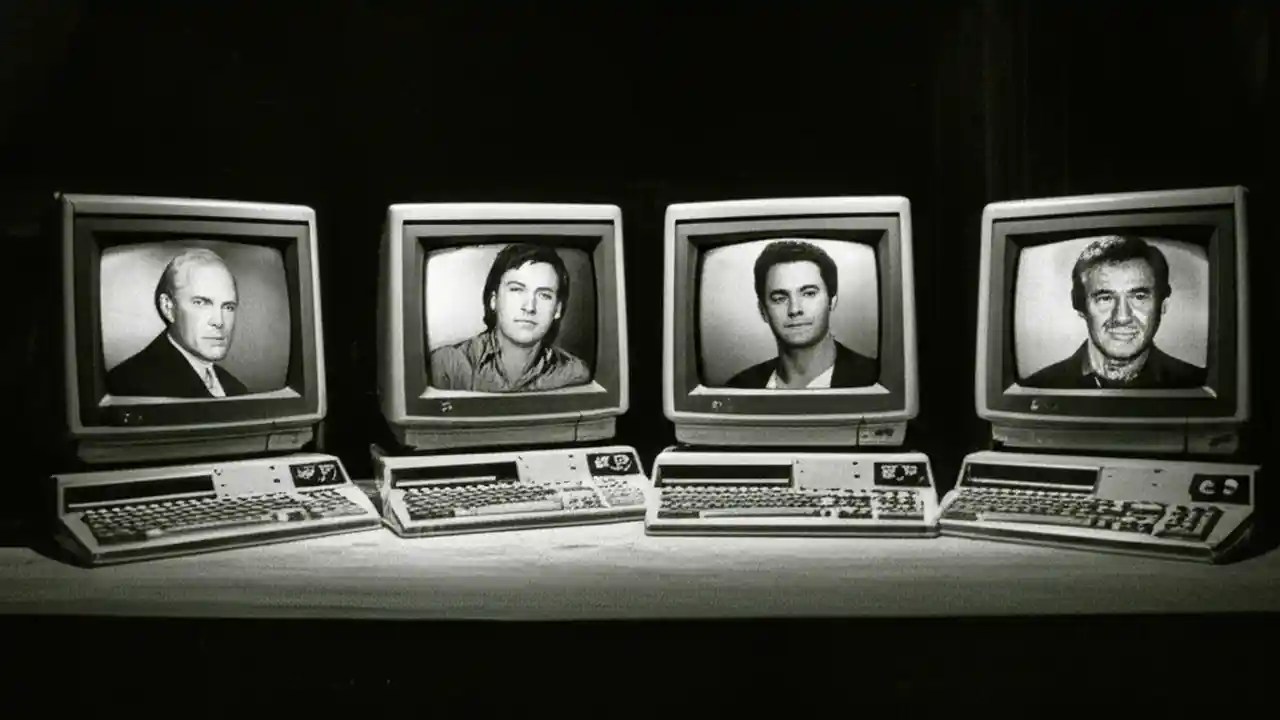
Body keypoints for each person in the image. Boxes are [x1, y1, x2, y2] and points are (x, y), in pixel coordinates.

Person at [1023, 234, 1206, 389]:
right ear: (1080, 307)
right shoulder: (1040, 386)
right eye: (1105, 298)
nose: (1122, 317)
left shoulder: (1195, 383)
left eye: (1139, 297)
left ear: (1163, 305)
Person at [429, 243, 591, 392]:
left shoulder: (573, 373)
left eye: (544, 295)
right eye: (517, 290)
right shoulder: (447, 365)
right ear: (494, 300)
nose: (529, 307)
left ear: (557, 310)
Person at [726, 240, 878, 389]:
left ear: (832, 301)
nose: (794, 309)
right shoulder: (739, 387)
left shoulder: (874, 377)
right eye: (780, 299)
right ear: (763, 311)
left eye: (809, 294)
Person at [107, 248, 249, 398]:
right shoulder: (127, 385)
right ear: (168, 308)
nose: (219, 322)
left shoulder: (235, 387)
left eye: (228, 307)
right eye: (201, 303)